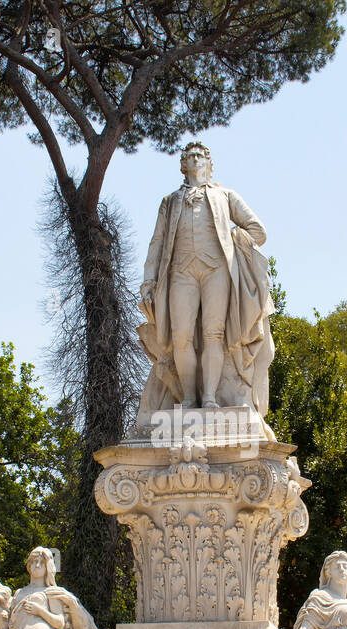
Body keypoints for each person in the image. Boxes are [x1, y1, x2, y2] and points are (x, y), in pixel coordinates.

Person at [136, 142, 275, 425]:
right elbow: (157, 243)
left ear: (209, 163)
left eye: (201, 155)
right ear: (183, 164)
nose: (196, 159)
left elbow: (258, 231)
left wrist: (234, 237)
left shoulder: (225, 196)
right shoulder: (170, 201)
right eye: (190, 156)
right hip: (180, 273)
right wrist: (149, 280)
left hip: (216, 270)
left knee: (214, 333)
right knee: (181, 337)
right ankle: (188, 399)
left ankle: (210, 397)